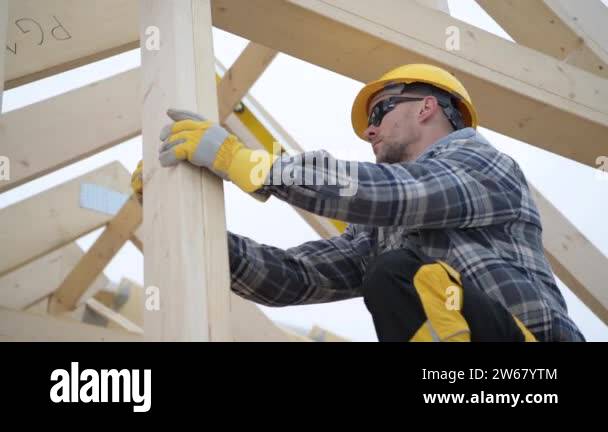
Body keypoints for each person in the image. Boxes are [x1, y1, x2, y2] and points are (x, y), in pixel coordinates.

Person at [132, 64, 585, 342]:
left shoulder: (483, 164)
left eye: (378, 113)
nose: (369, 131)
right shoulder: (381, 236)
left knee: (394, 273)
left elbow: (394, 192)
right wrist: (183, 223)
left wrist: (254, 166)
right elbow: (292, 278)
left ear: (426, 107)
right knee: (388, 274)